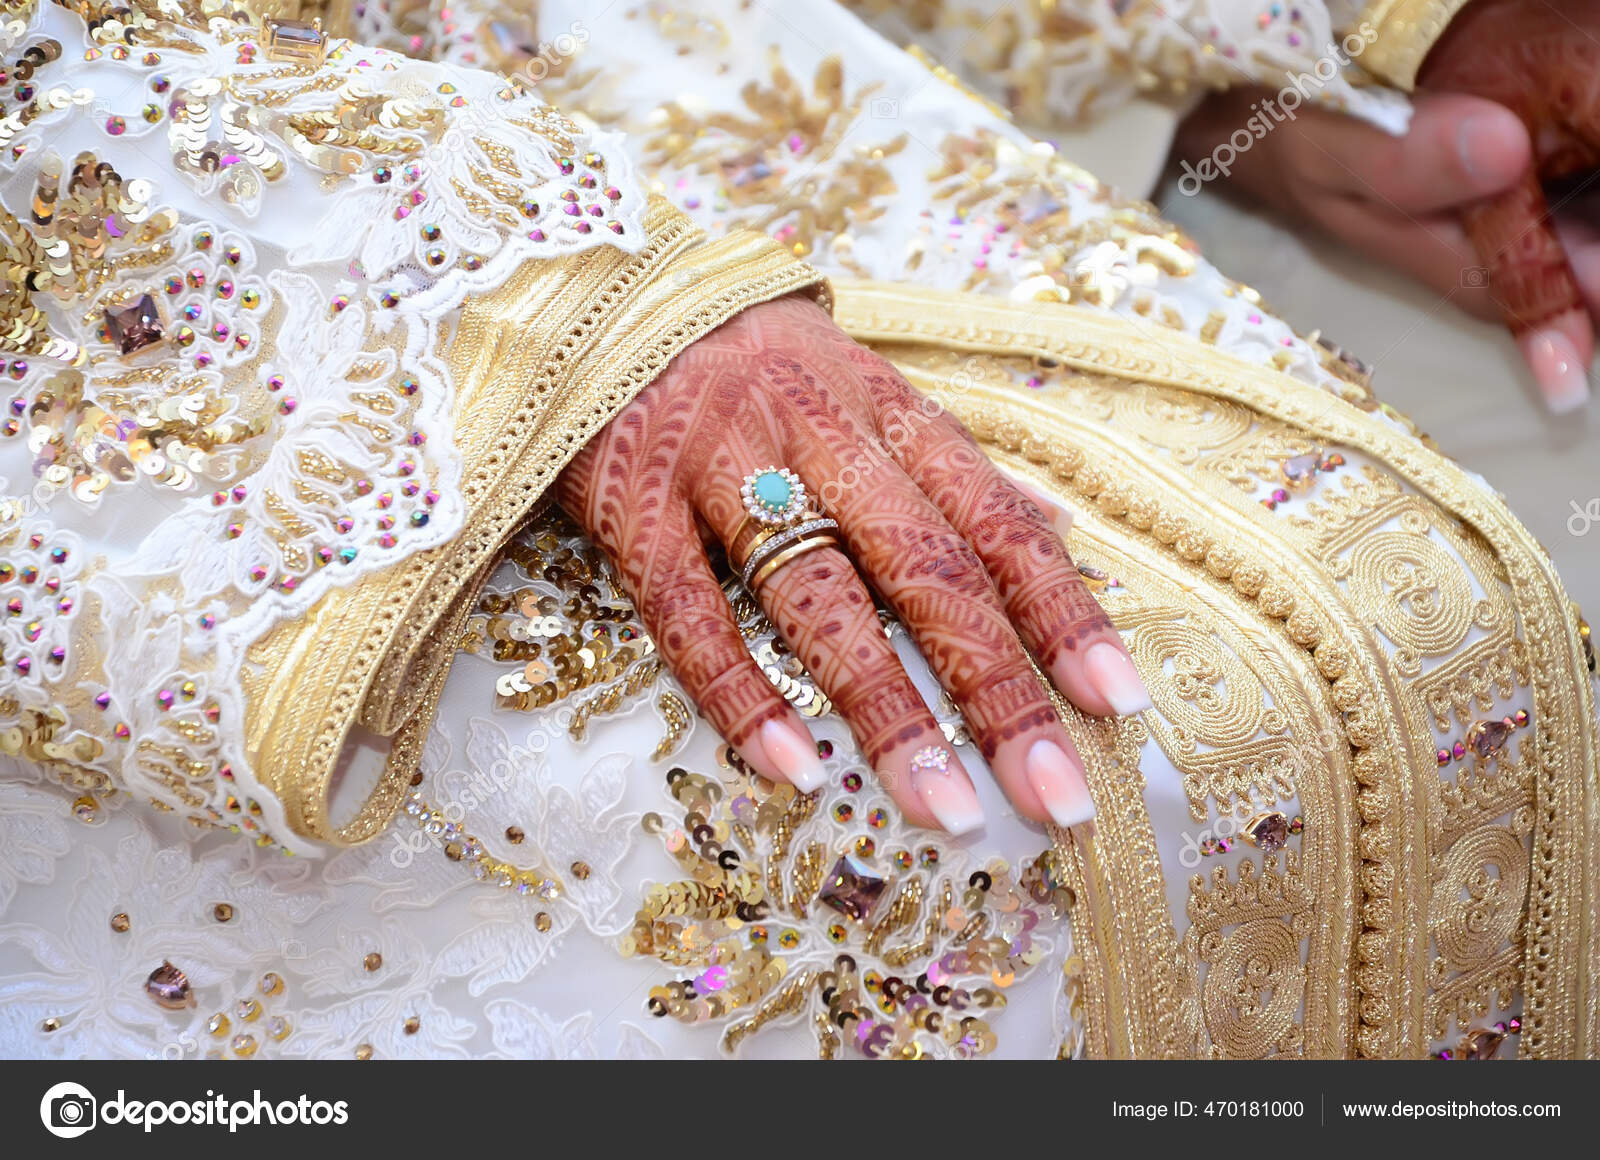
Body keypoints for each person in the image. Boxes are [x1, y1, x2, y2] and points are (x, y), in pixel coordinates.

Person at [0, 0, 1594, 1060]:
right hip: (194, 230)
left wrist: (1367, 37)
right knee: (894, 841)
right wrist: (531, 305)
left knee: (1459, 598)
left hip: (688, 72)